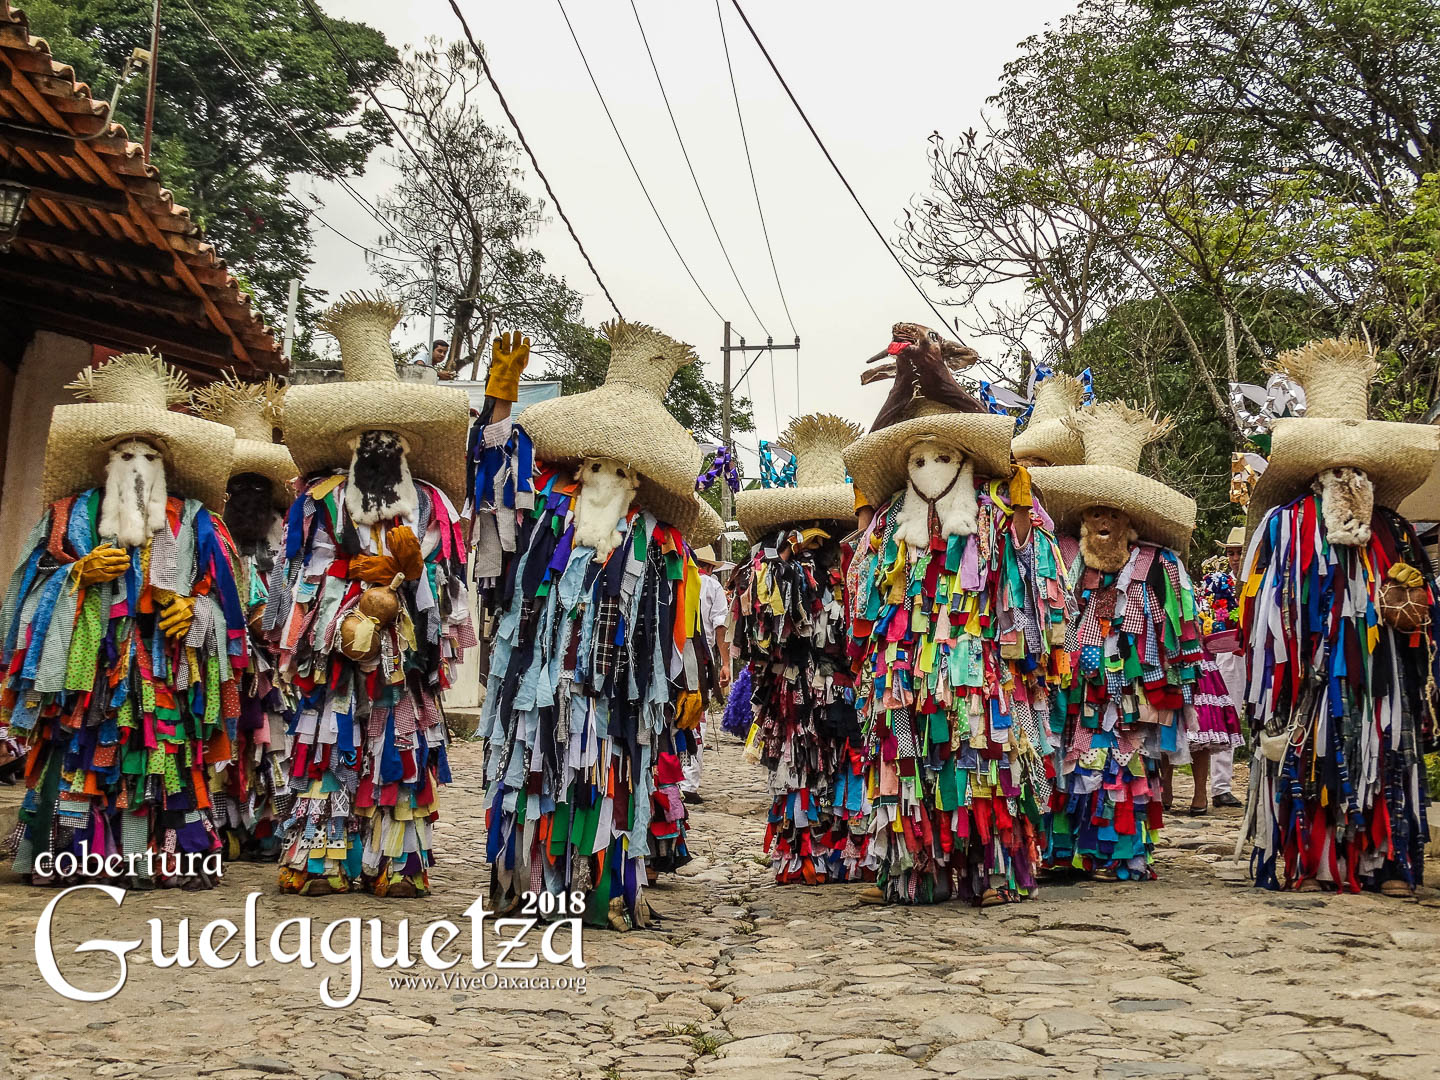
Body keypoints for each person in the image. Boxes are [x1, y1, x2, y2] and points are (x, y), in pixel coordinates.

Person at [472, 319, 710, 931]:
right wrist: (502, 394)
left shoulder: (657, 543)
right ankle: (521, 884)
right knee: (532, 778)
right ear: (579, 469)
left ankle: (601, 888)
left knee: (607, 785)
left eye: (622, 472)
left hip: (615, 694)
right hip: (538, 685)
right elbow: (494, 482)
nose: (607, 480)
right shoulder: (545, 518)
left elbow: (674, 626)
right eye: (597, 466)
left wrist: (685, 680)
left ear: (638, 484)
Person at [0, 353, 247, 888]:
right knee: (78, 755)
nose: (137, 464)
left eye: (150, 456)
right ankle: (72, 854)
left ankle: (166, 856)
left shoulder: (201, 523)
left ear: (166, 466)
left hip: (166, 673)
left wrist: (193, 611)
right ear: (107, 462)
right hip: (86, 677)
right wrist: (77, 576)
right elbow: (27, 589)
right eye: (125, 453)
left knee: (166, 752)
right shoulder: (68, 515)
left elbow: (231, 603)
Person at [844, 323, 1071, 906]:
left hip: (982, 664)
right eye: (918, 458)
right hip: (903, 670)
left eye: (944, 455)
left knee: (989, 765)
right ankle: (915, 868)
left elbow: (1033, 568)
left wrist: (1021, 520)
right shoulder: (892, 518)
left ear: (966, 461)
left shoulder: (997, 508)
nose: (929, 467)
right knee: (908, 759)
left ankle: (995, 869)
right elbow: (865, 588)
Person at [274, 292, 476, 898]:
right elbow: (302, 582)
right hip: (337, 651)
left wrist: (413, 578)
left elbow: (451, 590)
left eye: (393, 440)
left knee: (399, 743)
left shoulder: (433, 506)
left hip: (405, 662)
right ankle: (325, 859)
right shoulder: (321, 500)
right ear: (351, 445)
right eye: (371, 439)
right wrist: (349, 590)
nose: (382, 449)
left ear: (410, 449)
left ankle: (395, 861)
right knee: (331, 739)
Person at [1240, 338, 1438, 896]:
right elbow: (1267, 607)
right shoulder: (1287, 525)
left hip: (1382, 671)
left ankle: (1388, 860)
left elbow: (1422, 602)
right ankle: (1309, 858)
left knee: (1388, 751)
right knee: (1310, 751)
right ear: (1316, 476)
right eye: (1337, 470)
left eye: (1357, 470)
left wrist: (1414, 612)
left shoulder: (1393, 530)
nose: (1348, 479)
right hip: (1309, 666)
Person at [1029, 402, 1203, 882]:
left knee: (1122, 766)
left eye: (1113, 514)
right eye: (1094, 513)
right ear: (1083, 520)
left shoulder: (1157, 566)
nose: (1102, 522)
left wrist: (1169, 681)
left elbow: (1180, 634)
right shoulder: (1061, 556)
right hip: (1067, 686)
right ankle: (1060, 850)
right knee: (1062, 762)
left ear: (1129, 524)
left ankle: (1121, 853)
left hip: (1127, 690)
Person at [732, 413, 868, 884]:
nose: (817, 536)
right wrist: (786, 563)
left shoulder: (859, 559)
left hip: (845, 684)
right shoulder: (770, 563)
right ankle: (801, 852)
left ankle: (849, 851)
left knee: (848, 761)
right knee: (800, 768)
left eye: (825, 526)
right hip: (793, 691)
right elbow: (764, 629)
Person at [192, 375, 299, 860]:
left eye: (258, 486)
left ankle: (268, 827)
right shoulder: (207, 532)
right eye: (239, 486)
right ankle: (223, 823)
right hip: (217, 650)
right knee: (222, 737)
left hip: (276, 658)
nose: (248, 496)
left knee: (275, 742)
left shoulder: (290, 530)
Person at [681, 540, 731, 805]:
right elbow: (720, 626)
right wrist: (724, 663)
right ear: (710, 567)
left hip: (674, 656)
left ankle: (670, 776)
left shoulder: (678, 578)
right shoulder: (712, 587)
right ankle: (689, 782)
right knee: (696, 717)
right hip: (700, 661)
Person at [1206, 528, 1247, 809]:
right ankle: (1221, 786)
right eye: (1230, 552)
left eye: (1239, 552)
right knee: (1227, 714)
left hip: (1259, 652)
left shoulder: (1263, 579)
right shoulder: (1218, 583)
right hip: (1229, 653)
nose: (1233, 557)